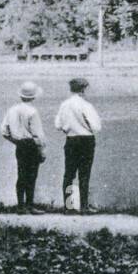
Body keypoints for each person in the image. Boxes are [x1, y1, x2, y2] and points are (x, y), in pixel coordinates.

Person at [55, 77, 102, 213]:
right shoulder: (86, 105)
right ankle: (84, 206)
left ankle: (69, 206)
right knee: (84, 174)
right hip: (86, 140)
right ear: (83, 89)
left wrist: (68, 128)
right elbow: (96, 126)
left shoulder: (64, 105)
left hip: (71, 139)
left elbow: (58, 125)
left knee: (69, 174)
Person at [0, 81, 46, 213]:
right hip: (31, 144)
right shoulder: (33, 111)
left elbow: (4, 131)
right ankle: (30, 205)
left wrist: (15, 141)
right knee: (32, 176)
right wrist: (41, 151)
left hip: (19, 144)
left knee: (21, 175)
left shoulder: (12, 110)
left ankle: (20, 206)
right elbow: (38, 135)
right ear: (34, 97)